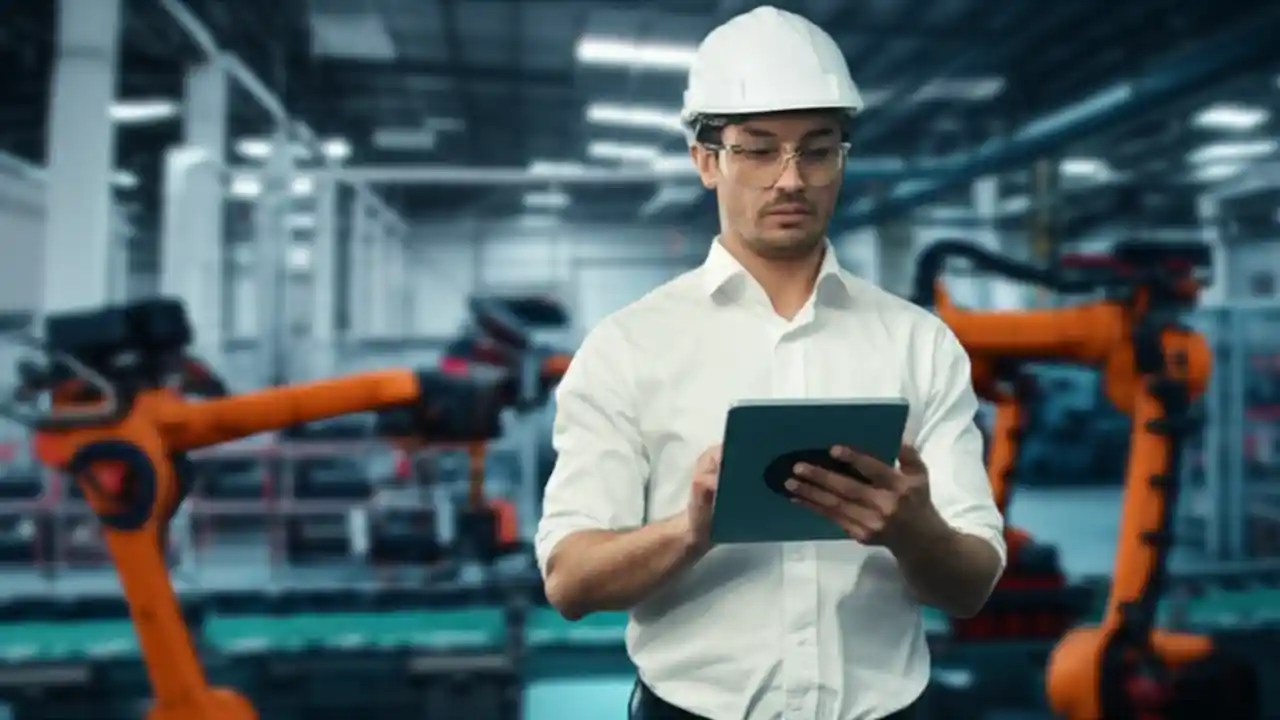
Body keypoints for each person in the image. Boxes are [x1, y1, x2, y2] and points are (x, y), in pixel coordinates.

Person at [534, 6, 1006, 720]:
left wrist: (916, 533)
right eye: (758, 150)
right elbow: (570, 580)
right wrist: (690, 531)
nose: (791, 179)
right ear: (705, 159)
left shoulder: (920, 344)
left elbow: (972, 585)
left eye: (817, 150)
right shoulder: (628, 348)